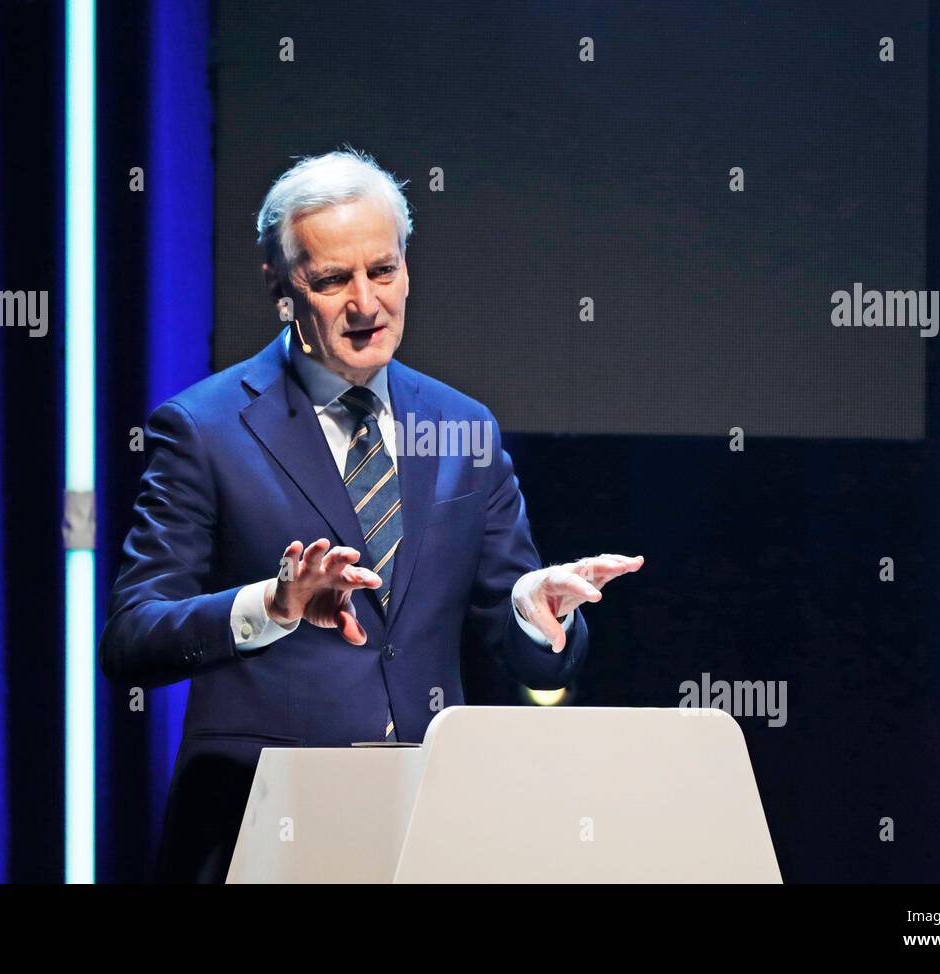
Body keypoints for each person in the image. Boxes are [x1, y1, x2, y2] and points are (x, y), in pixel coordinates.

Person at [99, 148, 643, 882]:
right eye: (331, 280)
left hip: (427, 833)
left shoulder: (462, 427)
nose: (366, 303)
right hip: (260, 831)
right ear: (280, 288)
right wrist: (273, 604)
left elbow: (522, 649)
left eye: (383, 270)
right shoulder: (204, 430)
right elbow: (132, 639)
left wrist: (533, 613)